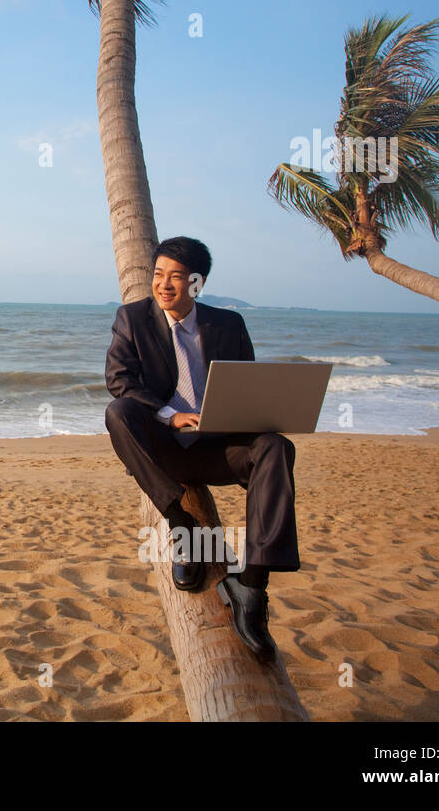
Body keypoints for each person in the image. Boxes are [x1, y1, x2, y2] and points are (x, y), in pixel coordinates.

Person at [103, 236, 299, 661]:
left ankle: (252, 585)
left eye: (175, 277)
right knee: (118, 413)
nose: (164, 285)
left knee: (275, 446)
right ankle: (181, 525)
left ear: (197, 283)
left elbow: (246, 390)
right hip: (166, 446)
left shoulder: (228, 326)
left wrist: (249, 415)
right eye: (158, 275)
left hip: (217, 448)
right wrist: (170, 415)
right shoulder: (132, 320)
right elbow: (120, 380)